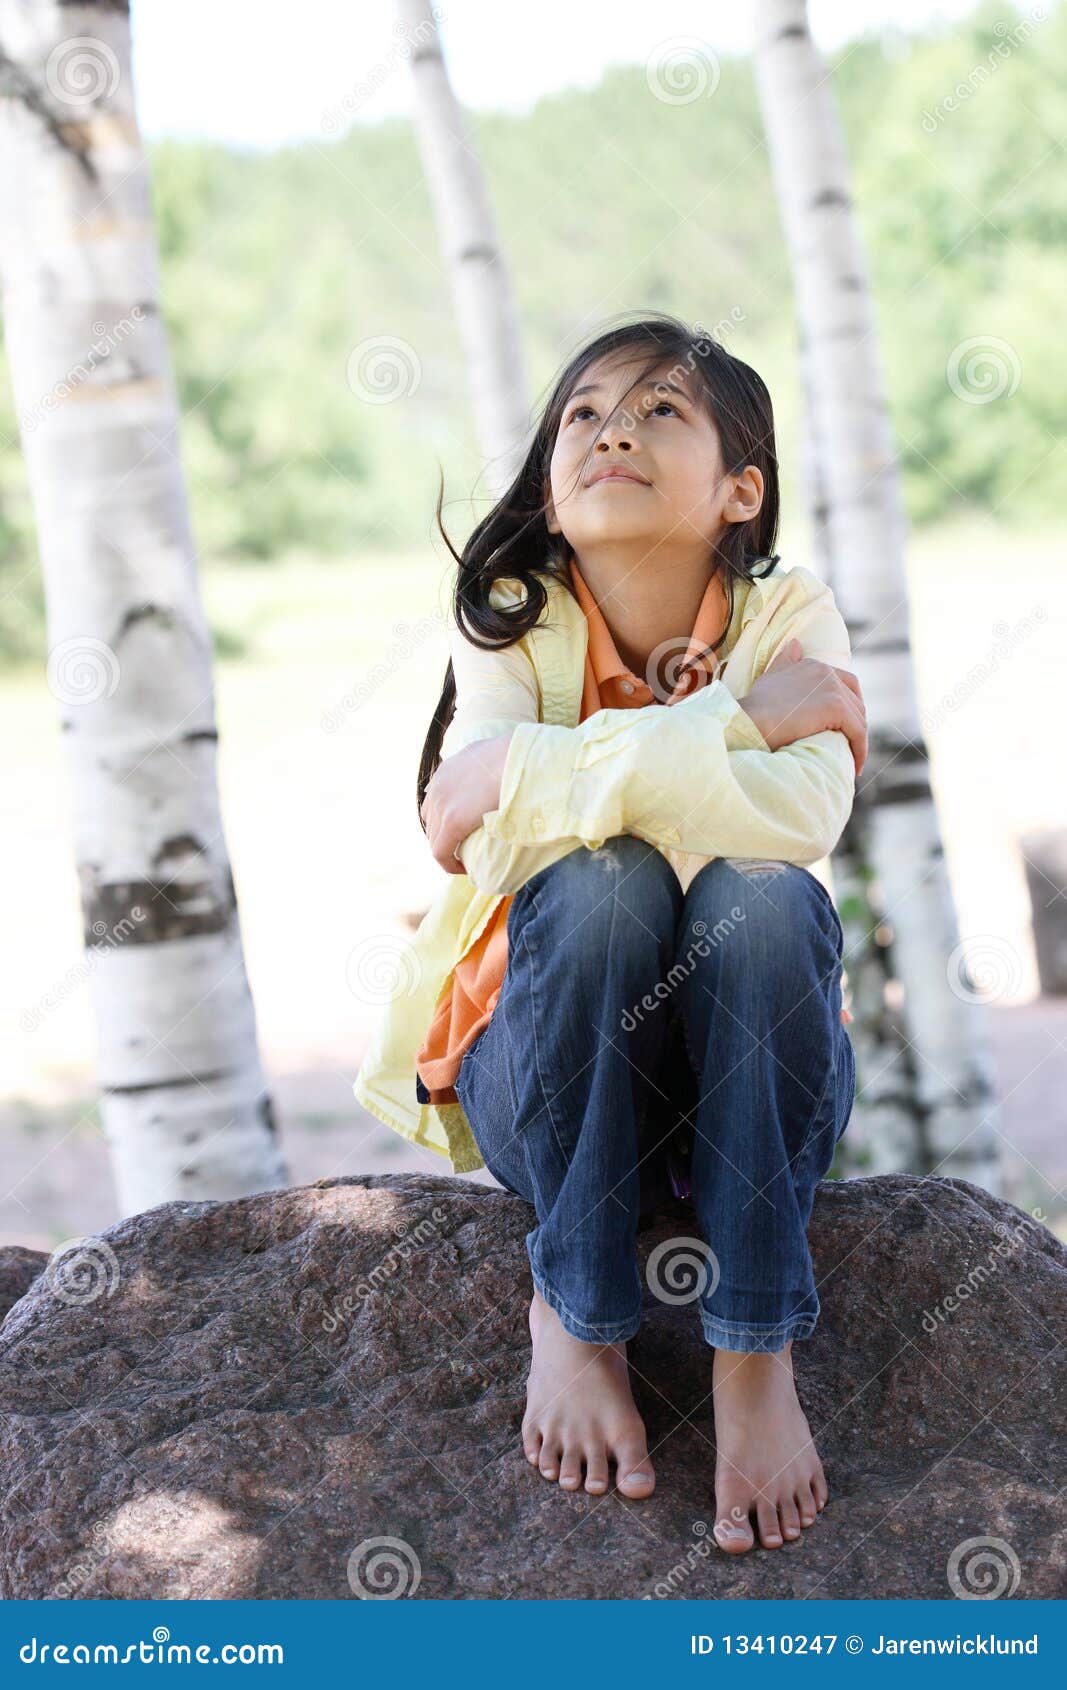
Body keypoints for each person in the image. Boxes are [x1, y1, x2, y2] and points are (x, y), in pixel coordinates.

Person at [354, 313, 867, 1555]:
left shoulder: (788, 605)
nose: (611, 431)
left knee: (759, 900)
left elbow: (799, 819)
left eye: (658, 412)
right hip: (549, 1077)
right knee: (601, 890)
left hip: (735, 1092)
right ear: (549, 475)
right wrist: (737, 724)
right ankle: (575, 1310)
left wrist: (543, 773)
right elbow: (478, 840)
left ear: (738, 489)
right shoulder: (514, 619)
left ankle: (751, 1350)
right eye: (584, 412)